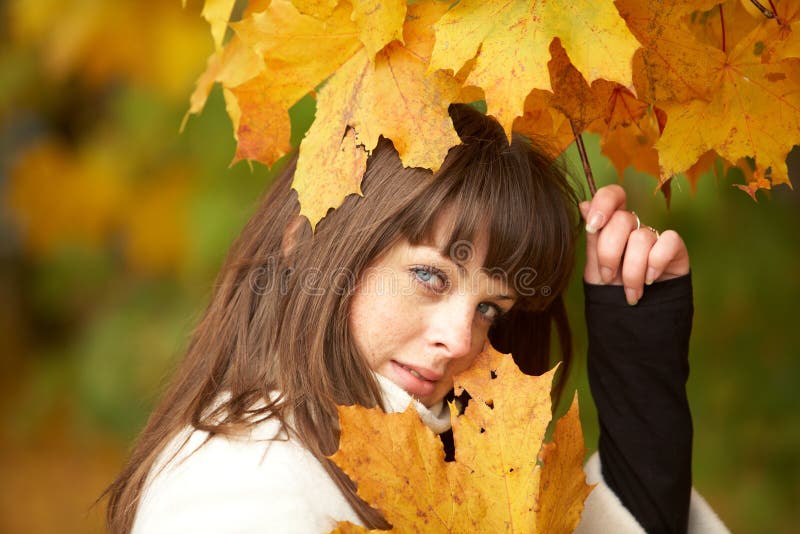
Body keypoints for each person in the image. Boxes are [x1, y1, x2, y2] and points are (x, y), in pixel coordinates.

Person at [105, 105, 728, 533]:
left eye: (490, 309)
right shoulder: (240, 481)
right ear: (307, 239)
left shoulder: (430, 464)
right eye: (431, 276)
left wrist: (638, 343)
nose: (461, 340)